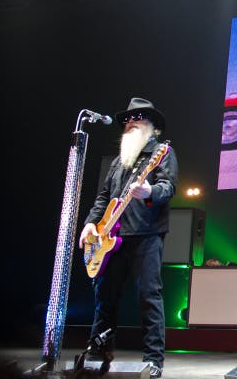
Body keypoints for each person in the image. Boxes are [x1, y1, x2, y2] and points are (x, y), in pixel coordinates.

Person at [78, 97, 178, 379]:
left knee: (149, 296)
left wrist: (149, 192)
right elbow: (103, 197)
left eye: (138, 118)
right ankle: (97, 353)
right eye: (127, 119)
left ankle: (153, 360)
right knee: (105, 298)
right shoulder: (118, 162)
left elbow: (168, 187)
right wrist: (90, 225)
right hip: (109, 239)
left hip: (146, 235)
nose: (130, 123)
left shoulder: (162, 152)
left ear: (153, 126)